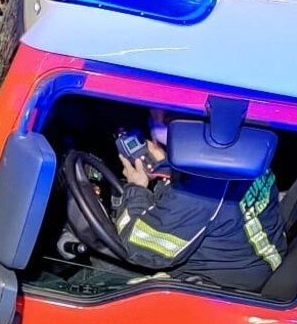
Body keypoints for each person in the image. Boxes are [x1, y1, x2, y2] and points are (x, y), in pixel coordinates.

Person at [108, 110, 286, 292]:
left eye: (154, 116)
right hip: (261, 257)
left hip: (226, 283)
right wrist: (168, 164)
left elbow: (141, 249)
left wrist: (136, 188)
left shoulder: (194, 194)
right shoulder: (244, 152)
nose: (150, 123)